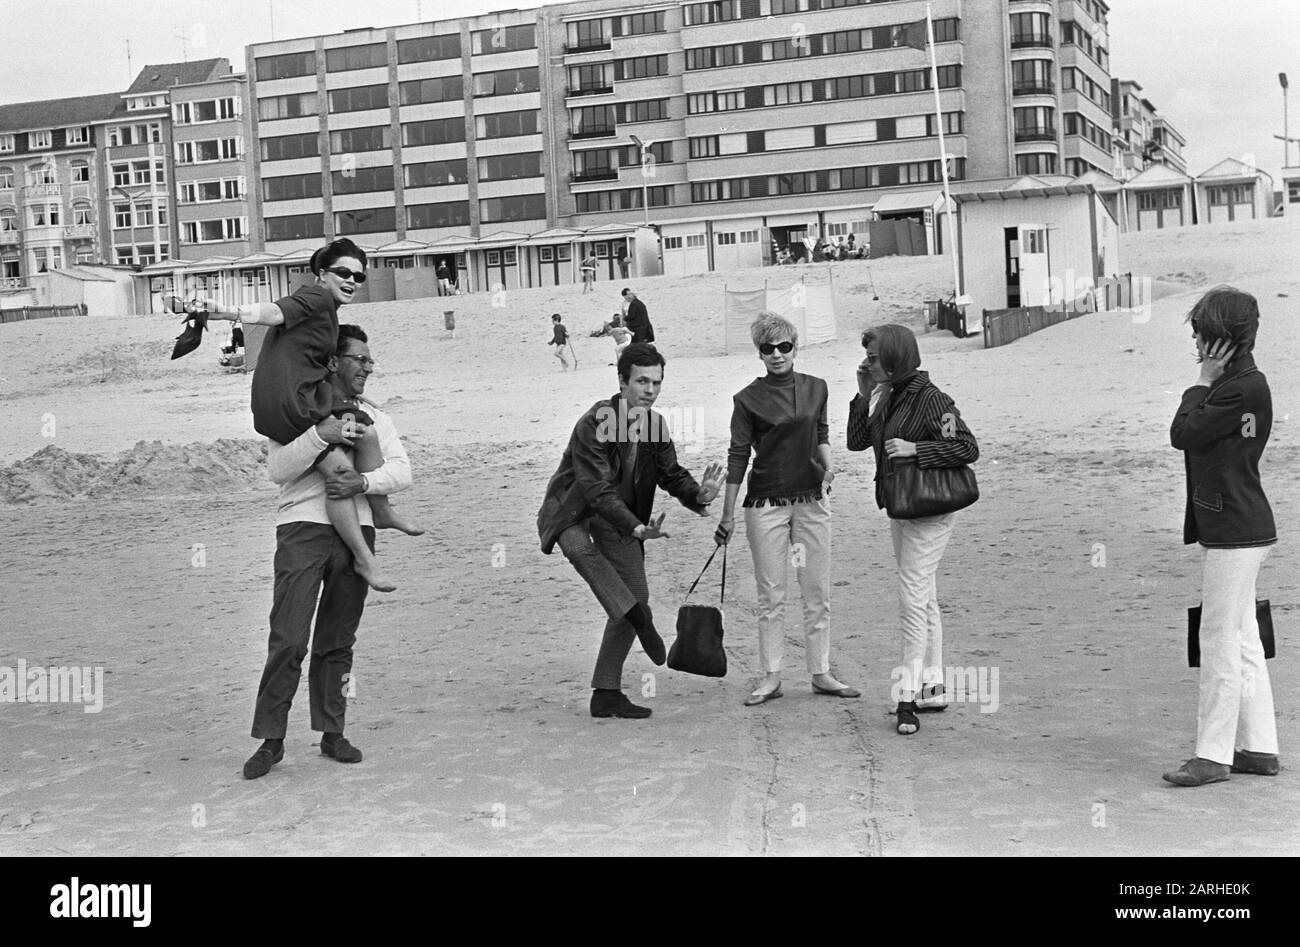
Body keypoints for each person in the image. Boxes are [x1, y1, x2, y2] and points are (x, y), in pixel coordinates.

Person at [199, 238, 421, 593]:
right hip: (293, 404)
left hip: (296, 397)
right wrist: (226, 312)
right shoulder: (316, 299)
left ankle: (380, 511)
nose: (351, 281)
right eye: (343, 273)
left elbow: (318, 363)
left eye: (359, 277)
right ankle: (365, 559)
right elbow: (273, 312)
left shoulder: (326, 313)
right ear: (322, 273)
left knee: (366, 433)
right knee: (340, 473)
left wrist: (365, 399)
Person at [243, 324, 415, 779]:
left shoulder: (375, 417)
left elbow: (402, 472)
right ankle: (271, 739)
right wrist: (321, 435)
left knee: (338, 641)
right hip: (301, 528)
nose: (368, 367)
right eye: (360, 358)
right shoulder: (296, 408)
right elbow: (278, 470)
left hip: (357, 527)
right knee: (289, 637)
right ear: (334, 361)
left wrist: (363, 482)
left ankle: (332, 731)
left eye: (370, 360)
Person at [538, 344, 725, 719]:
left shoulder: (655, 425)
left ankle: (605, 692)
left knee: (636, 594)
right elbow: (596, 489)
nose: (650, 390)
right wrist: (637, 526)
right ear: (622, 382)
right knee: (580, 552)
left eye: (656, 382)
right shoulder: (596, 421)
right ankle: (638, 618)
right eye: (642, 381)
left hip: (617, 517)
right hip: (572, 513)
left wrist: (697, 494)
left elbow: (670, 473)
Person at [1164, 287, 1279, 787]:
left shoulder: (1236, 388)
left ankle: (1212, 755)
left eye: (1201, 332)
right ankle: (1258, 747)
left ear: (1218, 340)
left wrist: (1200, 381)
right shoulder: (1247, 383)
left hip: (1234, 527)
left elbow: (1183, 433)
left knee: (1217, 639)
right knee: (1243, 636)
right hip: (1241, 523)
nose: (1194, 338)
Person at [714, 313, 855, 706]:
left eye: (784, 347)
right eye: (768, 348)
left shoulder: (817, 388)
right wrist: (726, 515)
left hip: (812, 499)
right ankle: (772, 675)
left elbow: (821, 434)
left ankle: (821, 672)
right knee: (771, 593)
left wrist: (829, 465)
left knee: (817, 589)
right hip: (766, 504)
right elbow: (738, 456)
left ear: (795, 348)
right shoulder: (746, 399)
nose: (777, 355)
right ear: (759, 353)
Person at [847, 324, 978, 735]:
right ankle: (932, 684)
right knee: (924, 597)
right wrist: (863, 395)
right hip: (902, 507)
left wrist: (916, 449)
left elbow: (967, 447)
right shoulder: (889, 395)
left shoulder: (930, 397)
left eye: (873, 357)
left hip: (931, 512)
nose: (867, 363)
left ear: (895, 356)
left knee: (911, 599)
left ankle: (906, 696)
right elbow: (856, 442)